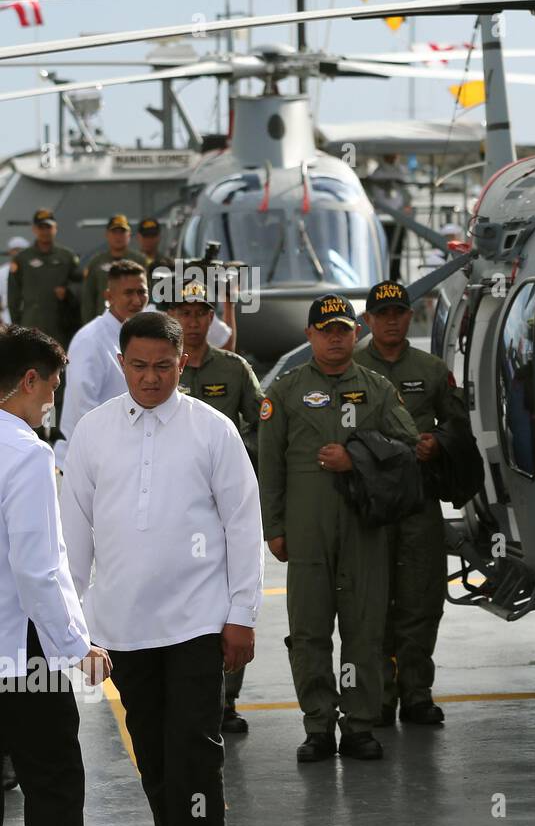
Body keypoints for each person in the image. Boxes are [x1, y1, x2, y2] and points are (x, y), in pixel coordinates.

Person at [61, 311, 261, 826]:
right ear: (120, 363)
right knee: (153, 759)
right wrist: (74, 631)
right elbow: (74, 537)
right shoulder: (93, 433)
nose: (151, 378)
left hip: (198, 623)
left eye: (164, 367)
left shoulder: (213, 429)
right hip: (121, 628)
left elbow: (243, 524)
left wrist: (242, 614)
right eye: (140, 366)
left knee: (195, 753)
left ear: (183, 363)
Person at [258, 294, 418, 763]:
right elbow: (270, 466)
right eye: (325, 330)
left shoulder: (378, 389)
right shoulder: (284, 392)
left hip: (363, 526)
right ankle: (318, 725)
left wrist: (357, 457)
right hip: (307, 531)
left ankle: (361, 726)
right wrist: (275, 527)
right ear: (309, 335)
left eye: (343, 329)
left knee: (364, 630)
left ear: (356, 333)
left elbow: (407, 449)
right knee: (307, 631)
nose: (334, 337)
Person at [0, 325, 110, 826]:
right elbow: (38, 569)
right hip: (21, 657)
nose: (53, 399)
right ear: (28, 380)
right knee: (54, 788)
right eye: (52, 385)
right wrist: (77, 648)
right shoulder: (25, 453)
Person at [354, 279, 474, 727]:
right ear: (368, 319)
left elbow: (459, 427)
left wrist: (437, 444)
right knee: (373, 601)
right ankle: (381, 695)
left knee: (422, 598)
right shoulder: (350, 369)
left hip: (418, 502)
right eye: (381, 314)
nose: (391, 321)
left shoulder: (432, 368)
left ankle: (417, 692)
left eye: (398, 313)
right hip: (368, 505)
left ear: (410, 316)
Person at [159, 278, 264, 734]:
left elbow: (262, 426)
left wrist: (240, 461)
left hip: (219, 508)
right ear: (172, 317)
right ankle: (172, 688)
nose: (195, 321)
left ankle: (225, 699)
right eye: (185, 312)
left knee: (227, 598)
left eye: (202, 313)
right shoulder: (160, 371)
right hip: (170, 508)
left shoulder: (236, 369)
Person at [55, 260, 149, 471]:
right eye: (128, 293)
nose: (137, 300)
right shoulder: (91, 339)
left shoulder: (137, 335)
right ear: (109, 296)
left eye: (142, 292)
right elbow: (83, 407)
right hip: (92, 462)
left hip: (128, 457)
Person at [8, 209, 82, 349]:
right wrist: (17, 327)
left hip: (60, 326)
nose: (45, 231)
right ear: (34, 229)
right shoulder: (23, 259)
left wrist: (68, 292)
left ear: (55, 228)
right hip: (31, 324)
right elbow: (13, 297)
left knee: (59, 366)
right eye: (41, 227)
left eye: (48, 227)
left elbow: (80, 286)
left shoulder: (67, 257)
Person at [79, 214, 146, 328]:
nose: (118, 236)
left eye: (122, 232)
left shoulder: (140, 260)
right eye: (114, 232)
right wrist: (88, 325)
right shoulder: (96, 262)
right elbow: (88, 298)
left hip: (134, 324)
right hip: (103, 323)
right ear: (107, 235)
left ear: (129, 235)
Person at [0, 236, 26, 325]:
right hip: (7, 314)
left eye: (21, 250)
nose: (18, 253)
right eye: (15, 250)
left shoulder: (32, 270)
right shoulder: (2, 271)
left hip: (28, 312)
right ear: (10, 251)